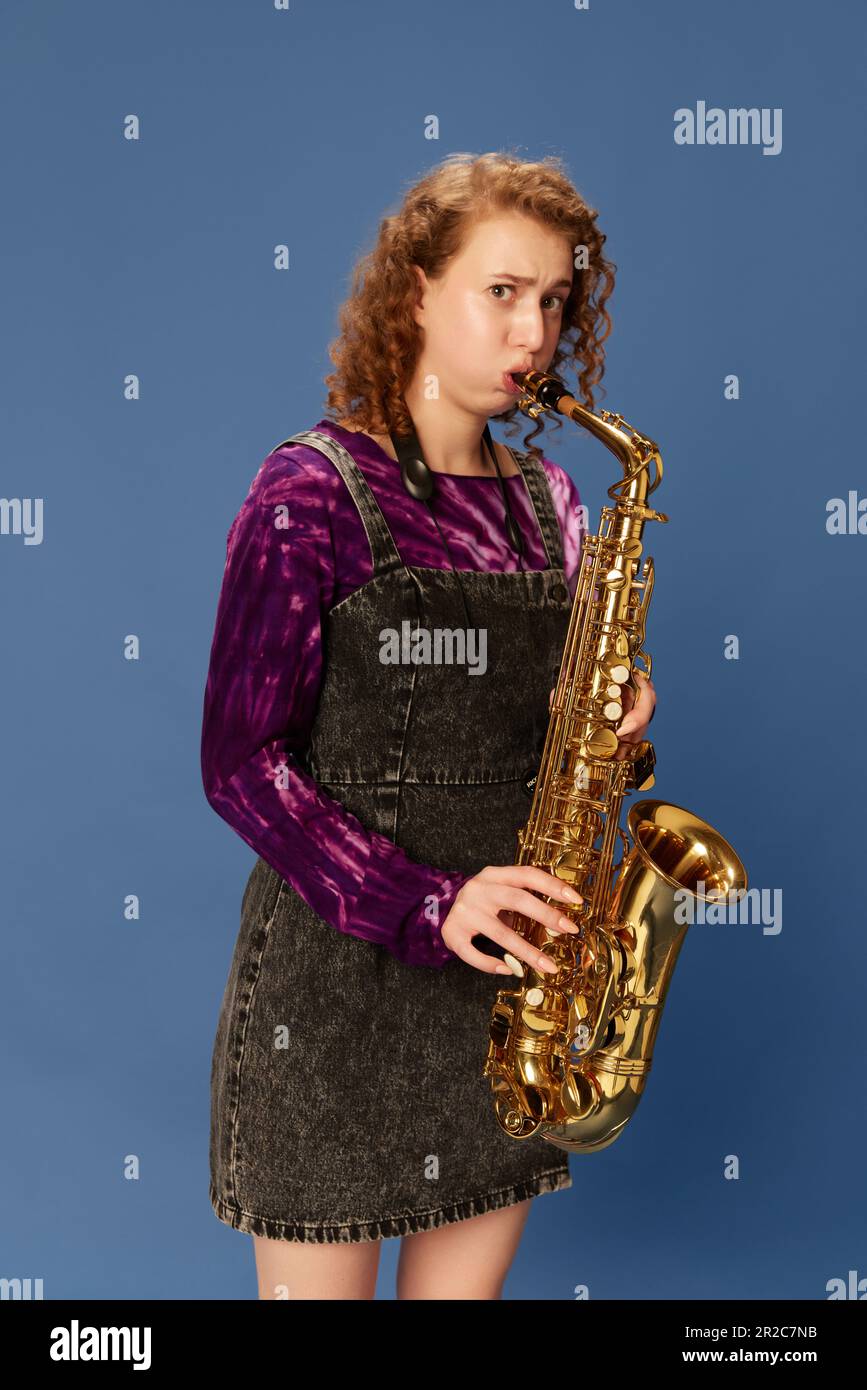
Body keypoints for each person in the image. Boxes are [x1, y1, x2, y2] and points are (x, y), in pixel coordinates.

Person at [200, 151, 657, 1301]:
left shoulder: (547, 503)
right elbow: (240, 765)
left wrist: (615, 723)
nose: (535, 332)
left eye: (554, 300)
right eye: (500, 292)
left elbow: (546, 742)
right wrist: (431, 904)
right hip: (335, 1008)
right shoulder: (307, 493)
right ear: (415, 291)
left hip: (503, 1005)